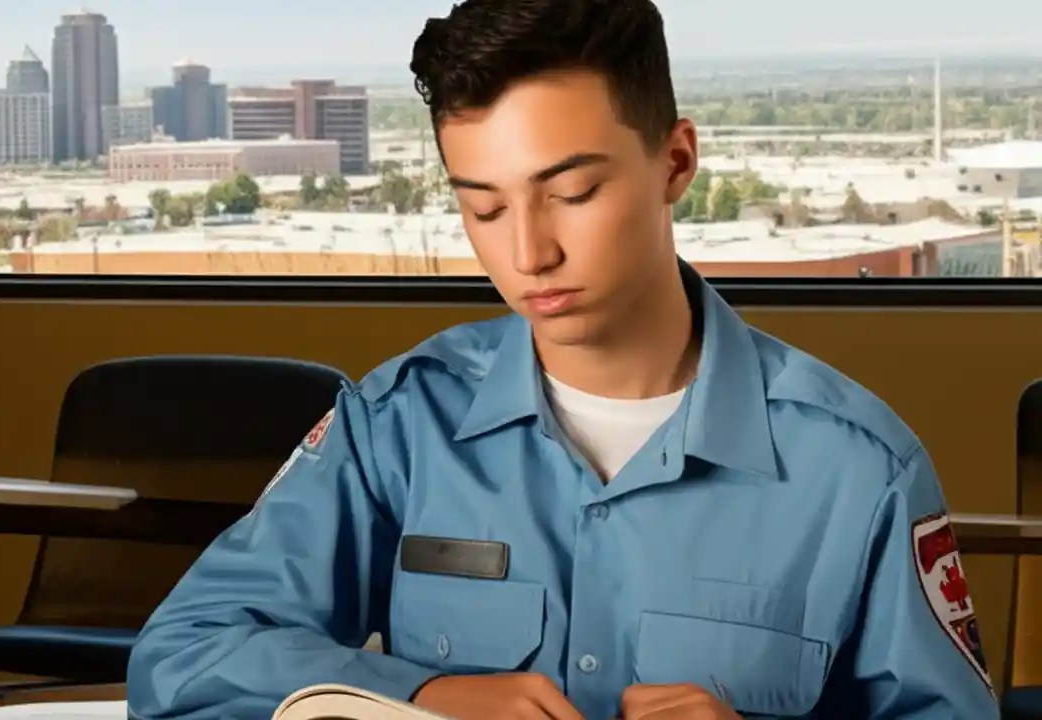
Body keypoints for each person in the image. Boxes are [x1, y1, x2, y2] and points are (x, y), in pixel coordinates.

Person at [127, 1, 1000, 718]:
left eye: (573, 193)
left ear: (676, 162)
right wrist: (428, 693)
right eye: (484, 208)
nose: (529, 253)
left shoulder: (858, 469)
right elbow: (182, 659)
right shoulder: (397, 427)